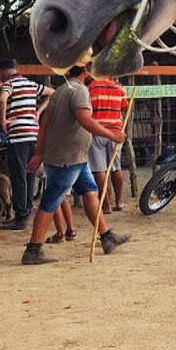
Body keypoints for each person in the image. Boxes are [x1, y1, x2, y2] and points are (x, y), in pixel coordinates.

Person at [19, 66, 131, 265]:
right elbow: (86, 120)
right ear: (86, 71)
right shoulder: (79, 91)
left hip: (74, 157)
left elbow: (44, 124)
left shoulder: (61, 91)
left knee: (90, 191)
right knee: (51, 200)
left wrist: (39, 153)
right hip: (67, 158)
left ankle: (107, 236)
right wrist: (112, 134)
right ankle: (33, 249)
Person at [0, 59, 52, 230]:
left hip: (18, 135)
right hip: (32, 134)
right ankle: (26, 211)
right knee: (29, 173)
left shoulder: (8, 84)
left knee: (18, 175)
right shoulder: (31, 84)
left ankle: (20, 216)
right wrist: (38, 112)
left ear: (0, 73)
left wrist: (3, 120)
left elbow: (2, 100)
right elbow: (53, 93)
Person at [87, 75, 129, 213]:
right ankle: (119, 201)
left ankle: (106, 205)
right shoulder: (118, 88)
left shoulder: (91, 88)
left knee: (99, 169)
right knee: (116, 167)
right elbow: (125, 107)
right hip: (115, 133)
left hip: (97, 131)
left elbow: (86, 110)